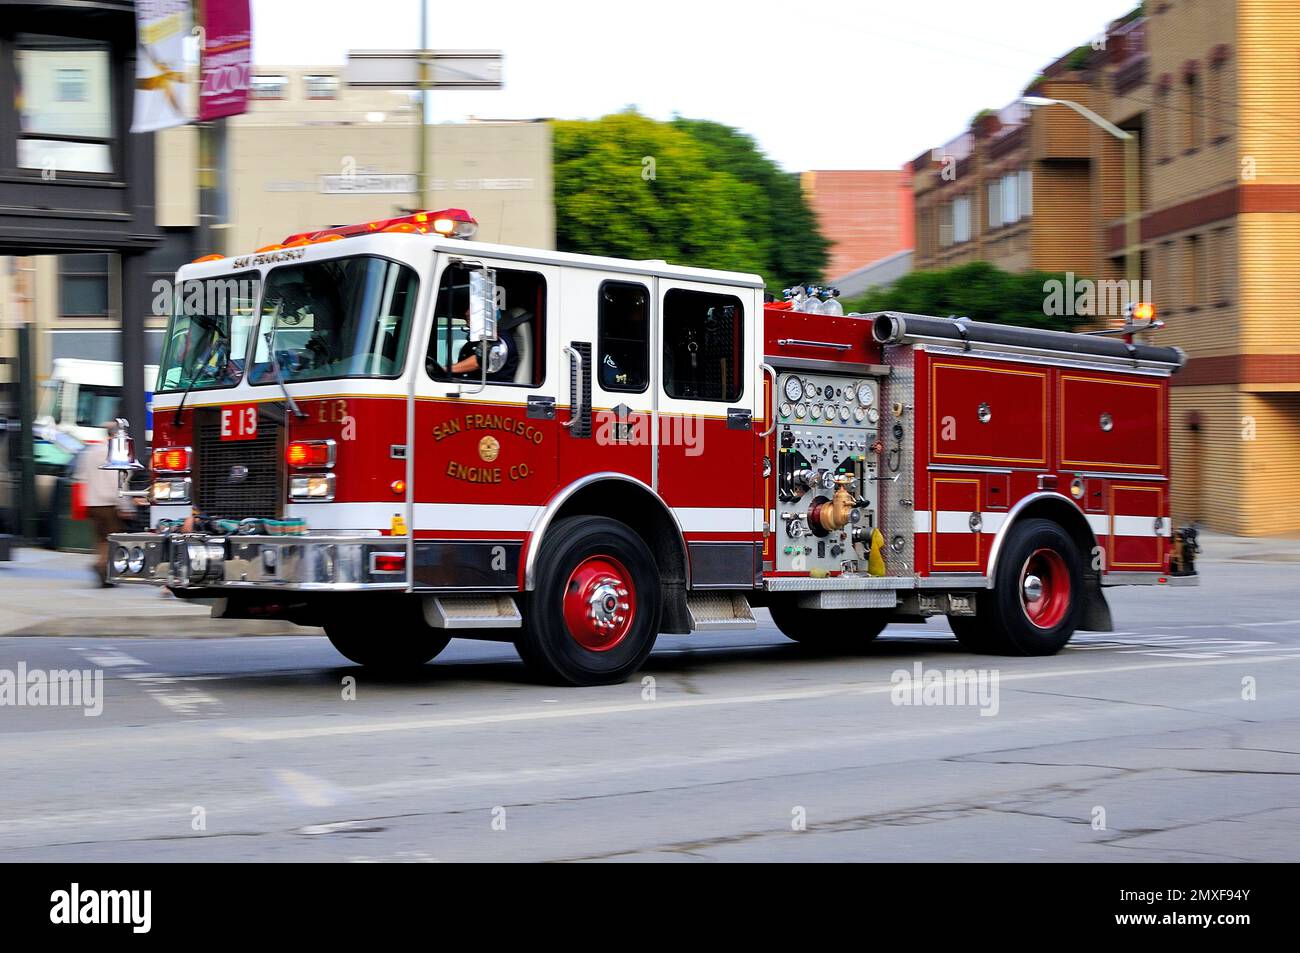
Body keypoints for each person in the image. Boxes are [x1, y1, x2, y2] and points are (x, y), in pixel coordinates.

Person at [74, 421, 136, 588]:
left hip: (92, 503)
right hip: (110, 503)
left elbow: (81, 477)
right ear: (118, 435)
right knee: (113, 539)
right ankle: (103, 567)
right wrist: (126, 506)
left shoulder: (90, 452)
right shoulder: (118, 454)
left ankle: (102, 566)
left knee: (101, 539)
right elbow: (120, 482)